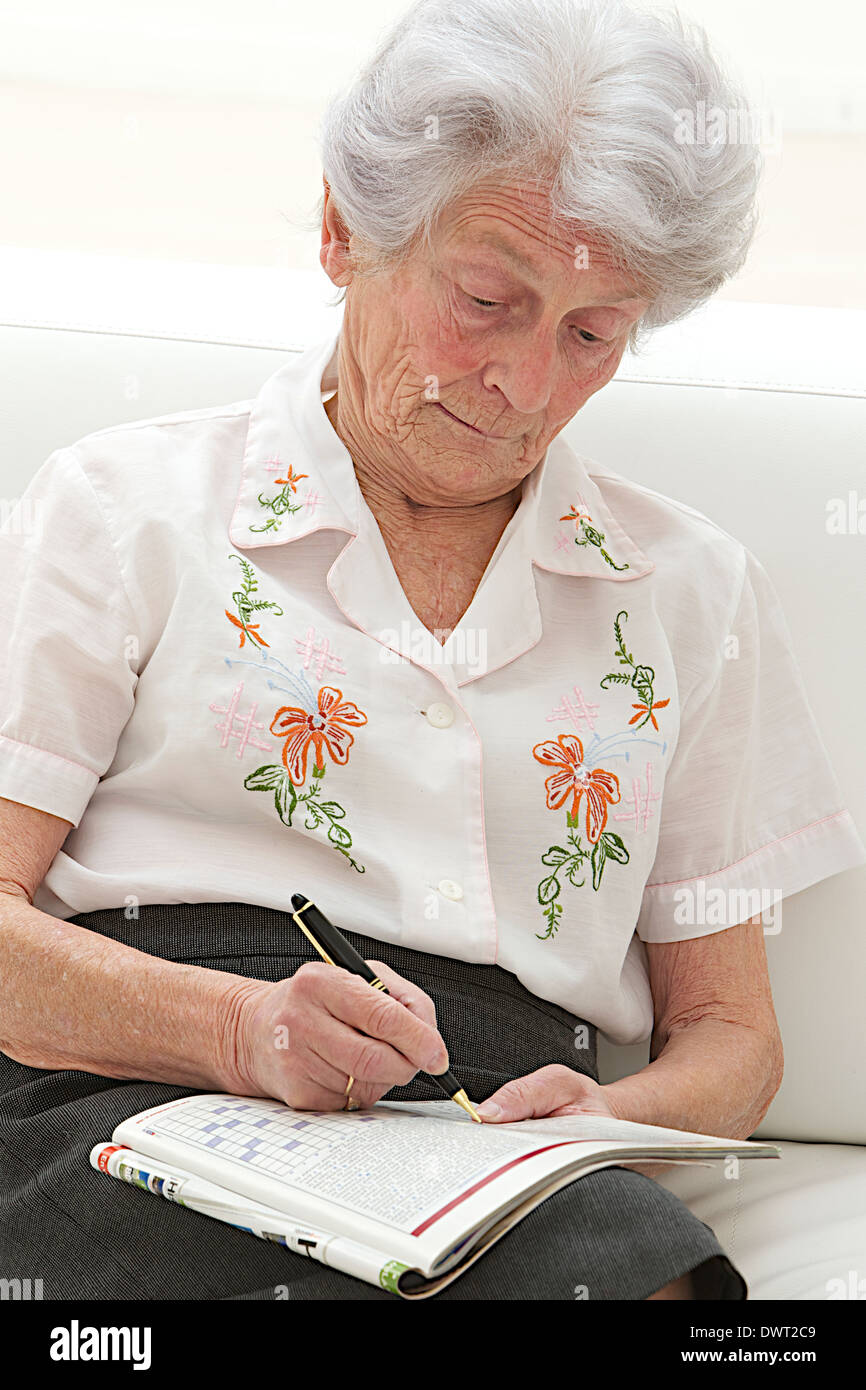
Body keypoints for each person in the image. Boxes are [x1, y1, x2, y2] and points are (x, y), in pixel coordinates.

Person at [1, 0, 863, 1301]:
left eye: (590, 333)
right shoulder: (121, 510)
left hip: (490, 1149)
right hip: (143, 1094)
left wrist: (601, 1123)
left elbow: (730, 1033)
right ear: (348, 230)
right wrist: (237, 1028)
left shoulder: (690, 594)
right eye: (484, 299)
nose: (522, 379)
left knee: (664, 1289)